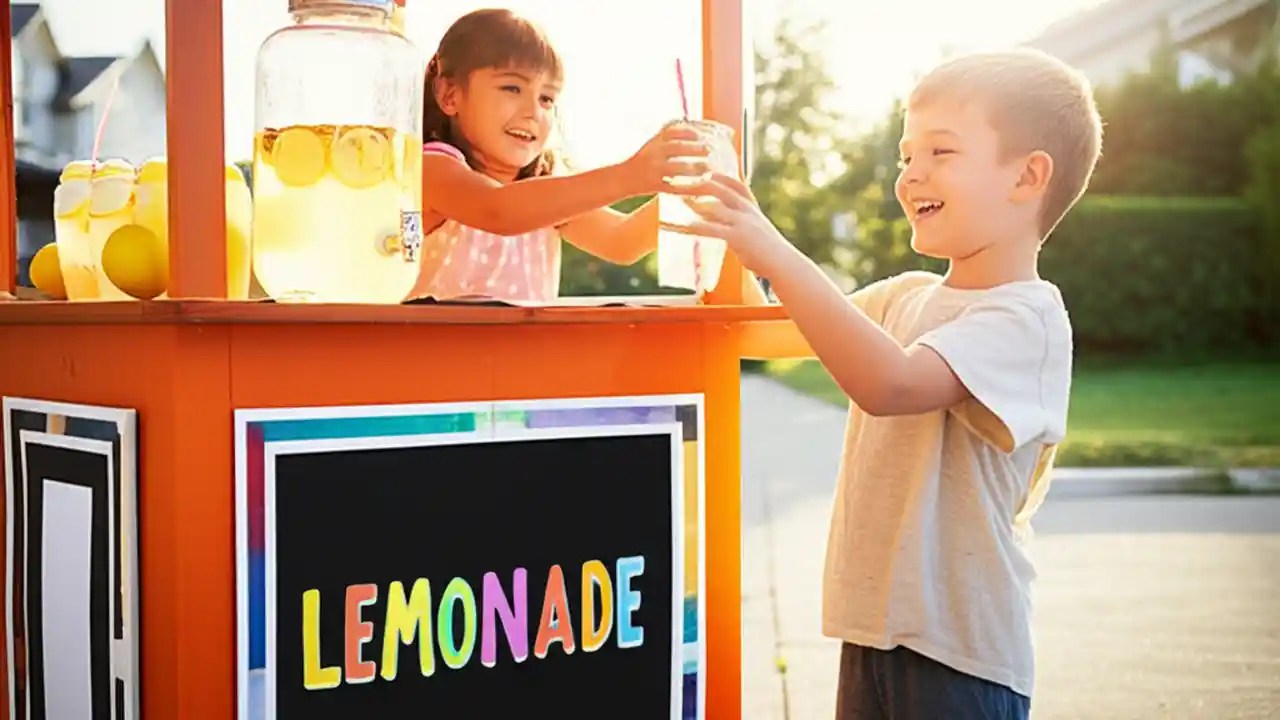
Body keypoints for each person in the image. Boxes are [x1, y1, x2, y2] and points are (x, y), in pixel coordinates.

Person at [682, 49, 1103, 718]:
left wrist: (776, 252)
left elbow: (891, 383)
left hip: (960, 652)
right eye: (907, 156)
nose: (912, 175)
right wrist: (726, 237)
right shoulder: (905, 296)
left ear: (1028, 176)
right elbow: (779, 326)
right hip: (875, 632)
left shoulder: (1027, 317)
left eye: (941, 152)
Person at [408, 8, 708, 303]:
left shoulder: (545, 192)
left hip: (530, 353)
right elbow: (497, 211)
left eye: (547, 98)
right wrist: (631, 175)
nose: (533, 112)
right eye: (512, 88)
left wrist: (689, 190)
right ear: (450, 95)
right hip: (434, 352)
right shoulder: (432, 168)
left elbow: (622, 240)